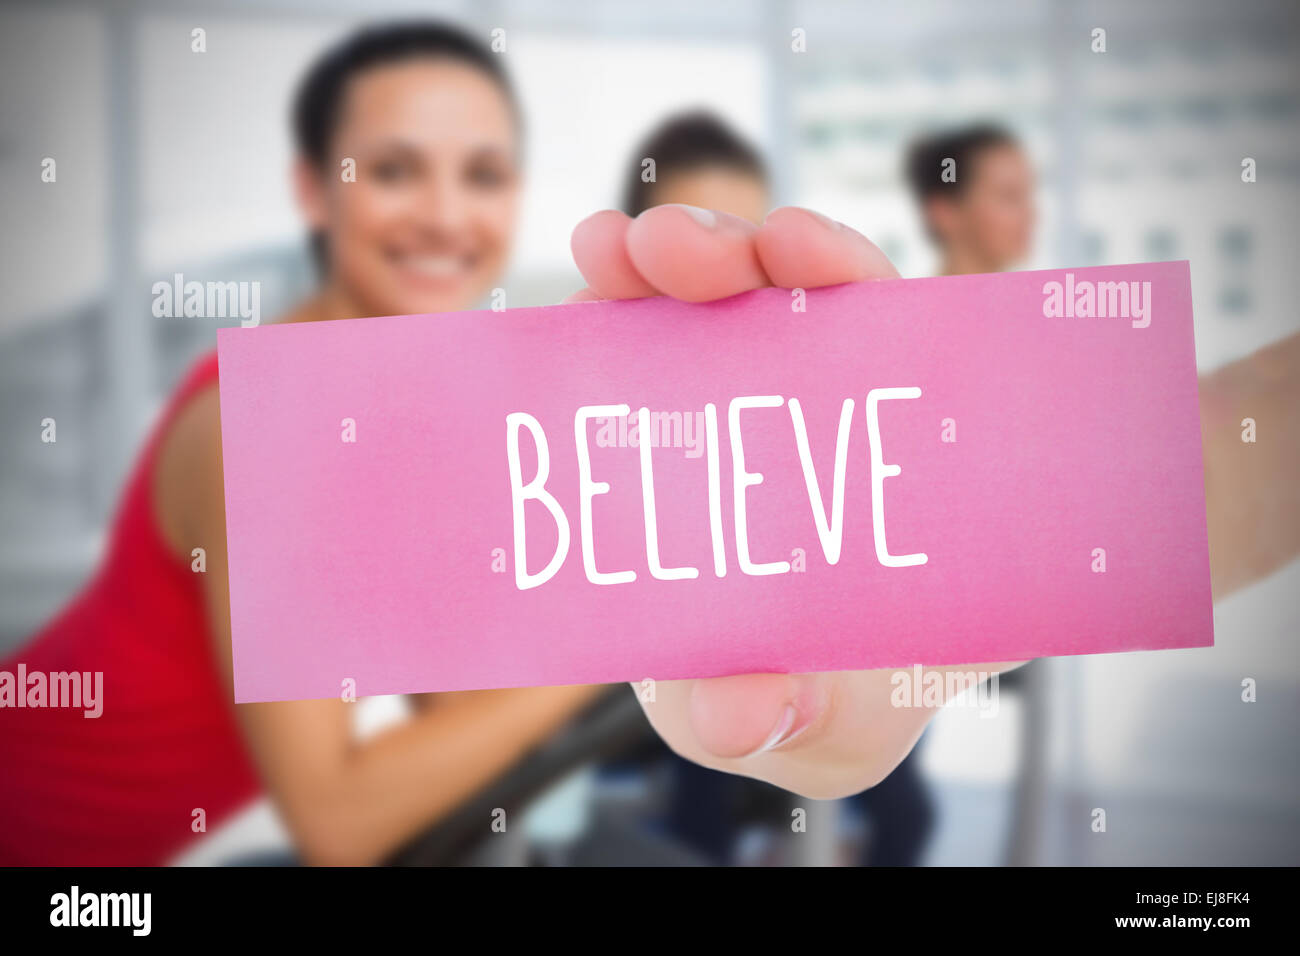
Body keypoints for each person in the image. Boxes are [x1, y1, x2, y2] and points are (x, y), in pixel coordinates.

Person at [0, 21, 602, 867]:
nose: (445, 216)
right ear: (314, 189)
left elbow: (454, 698)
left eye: (484, 175)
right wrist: (619, 638)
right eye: (394, 171)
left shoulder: (382, 420)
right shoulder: (271, 429)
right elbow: (337, 820)